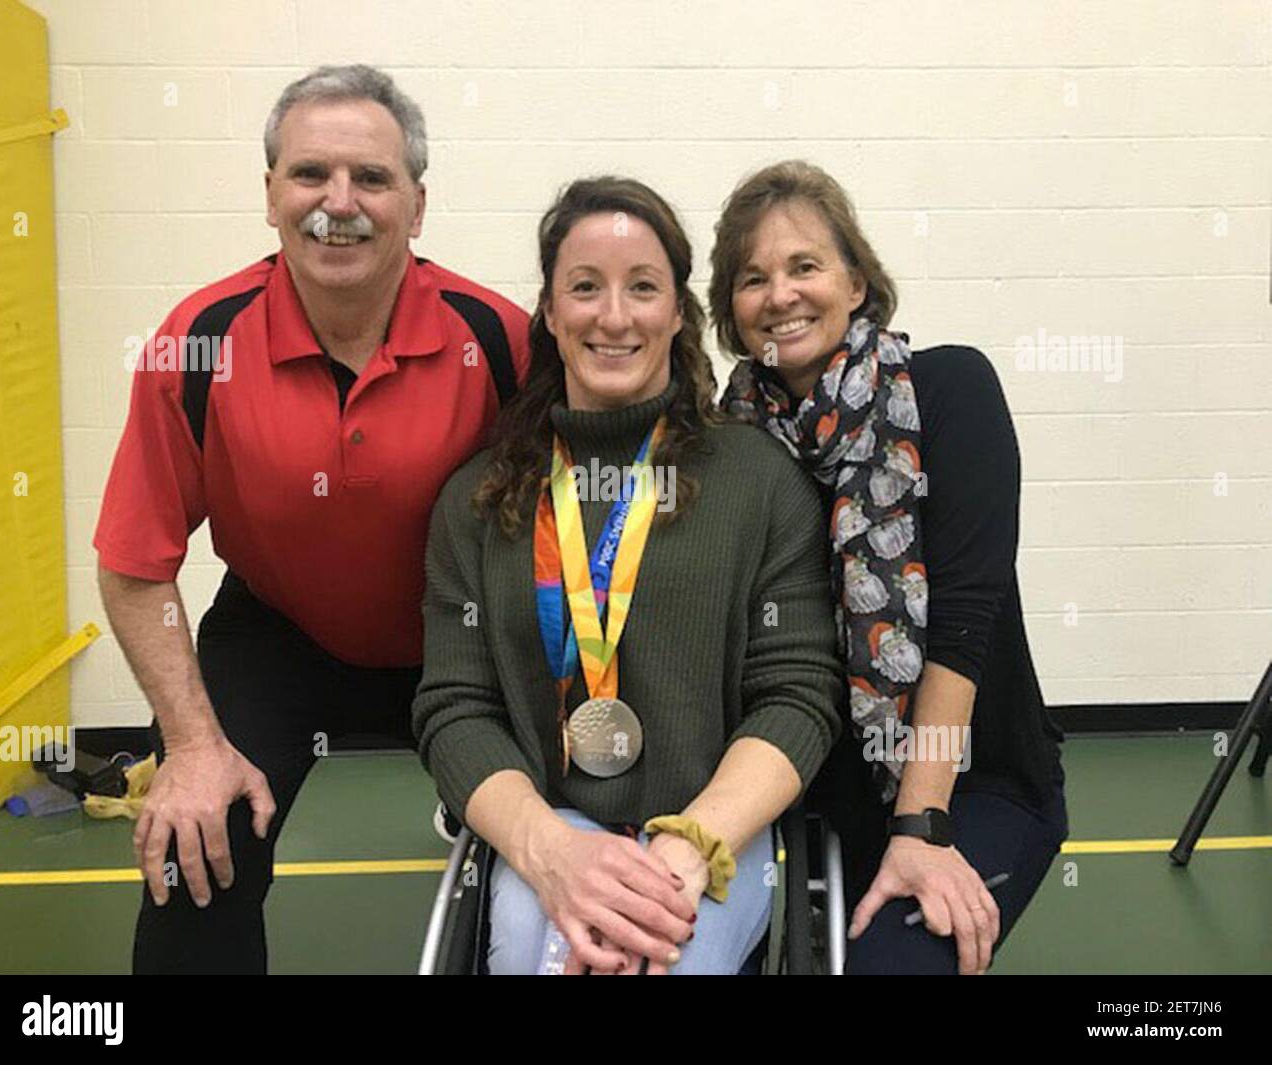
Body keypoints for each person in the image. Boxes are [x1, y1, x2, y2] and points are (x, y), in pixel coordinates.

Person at [93, 64, 530, 974]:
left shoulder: (498, 340)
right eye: (309, 175)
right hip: (278, 634)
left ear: (416, 204)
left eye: (371, 178)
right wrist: (190, 744)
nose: (340, 202)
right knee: (194, 843)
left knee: (542, 852)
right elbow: (135, 563)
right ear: (269, 195)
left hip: (461, 641)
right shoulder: (195, 342)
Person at [412, 176, 843, 975]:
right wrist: (550, 855)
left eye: (642, 287)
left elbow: (799, 693)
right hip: (548, 831)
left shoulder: (759, 481)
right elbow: (454, 709)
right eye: (585, 287)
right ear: (548, 308)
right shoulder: (477, 503)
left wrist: (689, 849)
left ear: (678, 311)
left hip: (720, 832)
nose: (614, 316)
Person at [710, 160, 1068, 975]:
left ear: (858, 282)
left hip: (969, 781)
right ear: (732, 313)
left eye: (805, 266)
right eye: (752, 277)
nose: (781, 294)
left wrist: (922, 824)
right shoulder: (727, 446)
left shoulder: (949, 390)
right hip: (804, 795)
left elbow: (964, 624)